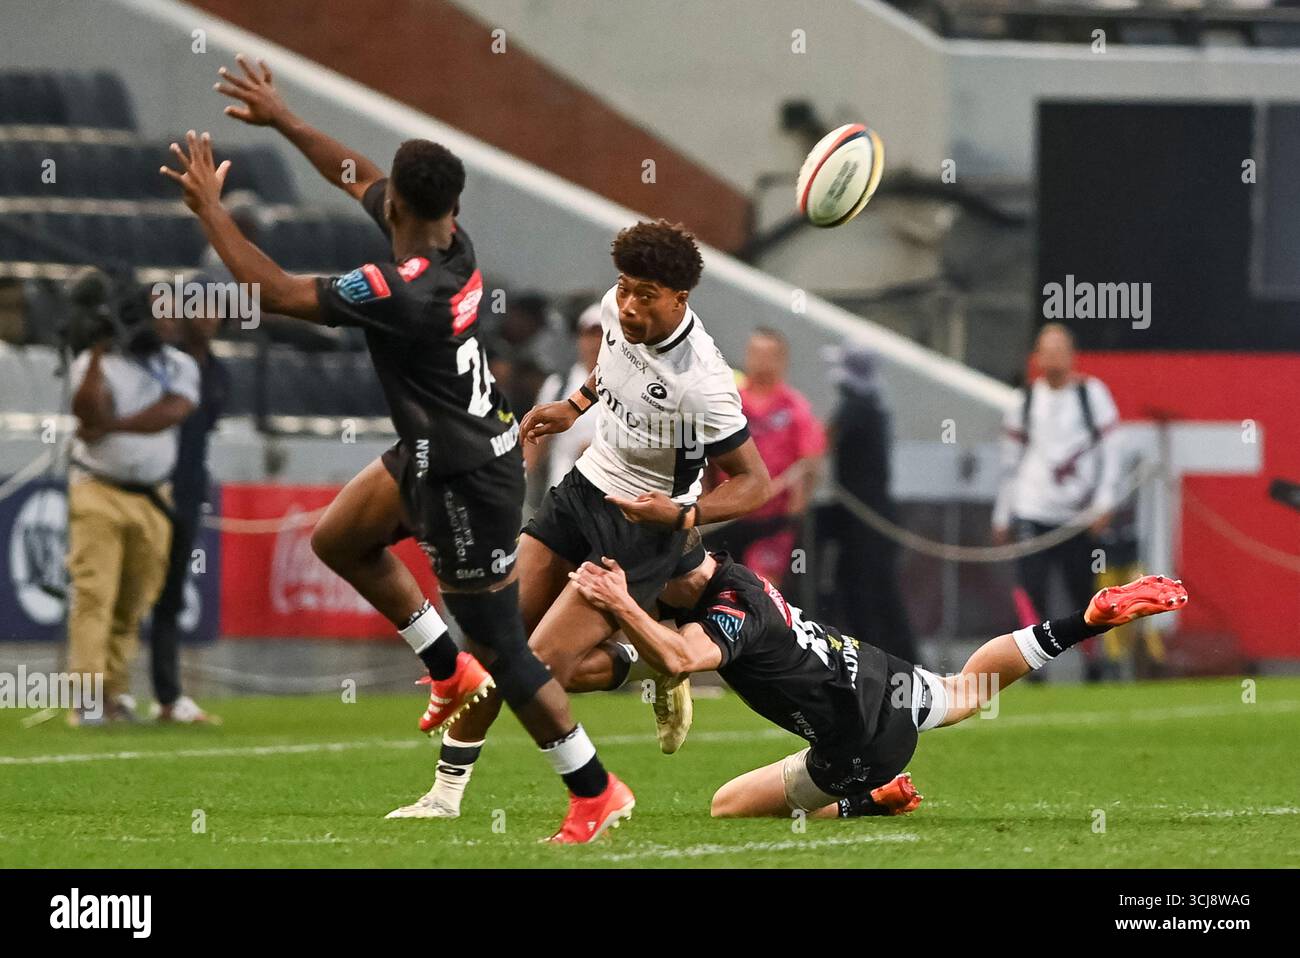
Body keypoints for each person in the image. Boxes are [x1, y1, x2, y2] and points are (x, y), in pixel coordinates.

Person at [171, 54, 629, 843]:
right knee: (339, 538)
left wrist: (211, 209)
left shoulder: (398, 288)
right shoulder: (454, 243)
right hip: (430, 450)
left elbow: (276, 292)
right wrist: (283, 119)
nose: (374, 195)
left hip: (467, 477)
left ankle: (595, 789)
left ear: (403, 211)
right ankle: (448, 672)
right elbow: (359, 175)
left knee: (504, 648)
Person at [388, 220, 772, 820]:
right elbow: (611, 373)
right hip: (580, 492)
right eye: (624, 288)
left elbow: (755, 483)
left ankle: (643, 659)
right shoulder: (614, 314)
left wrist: (683, 513)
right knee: (491, 641)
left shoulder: (704, 383)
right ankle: (444, 796)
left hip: (641, 528)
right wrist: (573, 406)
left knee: (537, 669)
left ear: (680, 299)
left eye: (646, 294)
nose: (628, 304)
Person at [568, 547, 1187, 819]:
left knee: (725, 805)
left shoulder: (732, 612)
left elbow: (676, 657)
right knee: (965, 691)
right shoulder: (731, 577)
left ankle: (865, 799)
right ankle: (1085, 618)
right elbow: (673, 645)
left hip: (862, 745)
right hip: (877, 674)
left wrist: (621, 604)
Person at [66, 285, 199, 725]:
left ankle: (116, 694)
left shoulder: (178, 365)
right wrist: (99, 352)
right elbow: (86, 413)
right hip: (98, 490)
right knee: (94, 595)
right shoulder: (94, 363)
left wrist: (112, 425)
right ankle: (86, 700)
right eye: (161, 315)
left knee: (131, 602)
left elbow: (173, 410)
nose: (171, 324)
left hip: (152, 497)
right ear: (136, 317)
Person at [993, 323, 1122, 681]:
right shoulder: (1025, 402)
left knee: (1084, 590)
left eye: (1058, 351)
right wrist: (1003, 514)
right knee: (1031, 588)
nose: (1051, 359)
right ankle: (1034, 665)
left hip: (1078, 516)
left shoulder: (1091, 396)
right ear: (1036, 357)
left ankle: (1094, 662)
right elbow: (1009, 464)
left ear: (1071, 355)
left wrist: (1103, 502)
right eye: (1044, 352)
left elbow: (1111, 452)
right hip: (1033, 511)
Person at [147, 289, 229, 724]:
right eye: (200, 308)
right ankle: (103, 694)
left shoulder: (218, 370)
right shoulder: (163, 362)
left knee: (171, 593)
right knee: (123, 592)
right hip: (151, 484)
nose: (209, 317)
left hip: (190, 486)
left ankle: (167, 695)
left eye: (216, 309)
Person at [816, 345, 916, 662]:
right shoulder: (872, 406)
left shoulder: (856, 409)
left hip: (865, 521)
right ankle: (885, 657)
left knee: (870, 592)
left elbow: (820, 442)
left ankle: (887, 658)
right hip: (864, 516)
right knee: (868, 590)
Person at [707, 328, 825, 590]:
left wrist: (797, 504)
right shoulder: (730, 400)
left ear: (781, 359)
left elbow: (811, 460)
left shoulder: (794, 407)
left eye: (767, 355)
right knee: (715, 585)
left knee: (761, 586)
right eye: (755, 354)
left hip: (772, 520)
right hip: (726, 514)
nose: (760, 361)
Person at [523, 302, 601, 494]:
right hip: (564, 497)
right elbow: (535, 443)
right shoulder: (560, 385)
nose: (596, 343)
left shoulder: (629, 389)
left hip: (612, 503)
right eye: (590, 335)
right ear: (579, 339)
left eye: (604, 335)